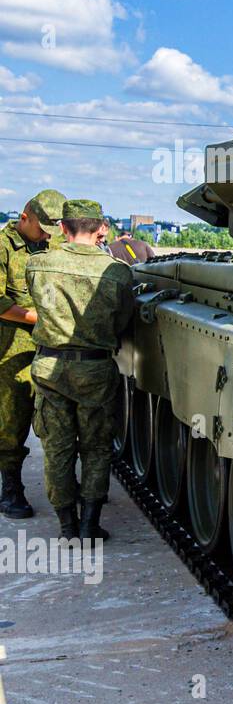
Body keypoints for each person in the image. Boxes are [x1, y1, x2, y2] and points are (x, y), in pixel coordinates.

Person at [26, 200, 134, 540]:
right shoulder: (118, 271)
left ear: (62, 227)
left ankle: (67, 526)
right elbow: (122, 321)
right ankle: (89, 524)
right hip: (95, 369)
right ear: (101, 228)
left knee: (57, 448)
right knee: (97, 448)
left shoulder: (37, 265)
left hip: (50, 365)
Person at [0, 189, 66, 519]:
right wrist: (42, 317)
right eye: (41, 229)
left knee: (60, 418)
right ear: (25, 217)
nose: (45, 236)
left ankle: (67, 486)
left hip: (55, 347)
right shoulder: (3, 247)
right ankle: (10, 487)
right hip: (15, 348)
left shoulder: (52, 246)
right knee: (13, 420)